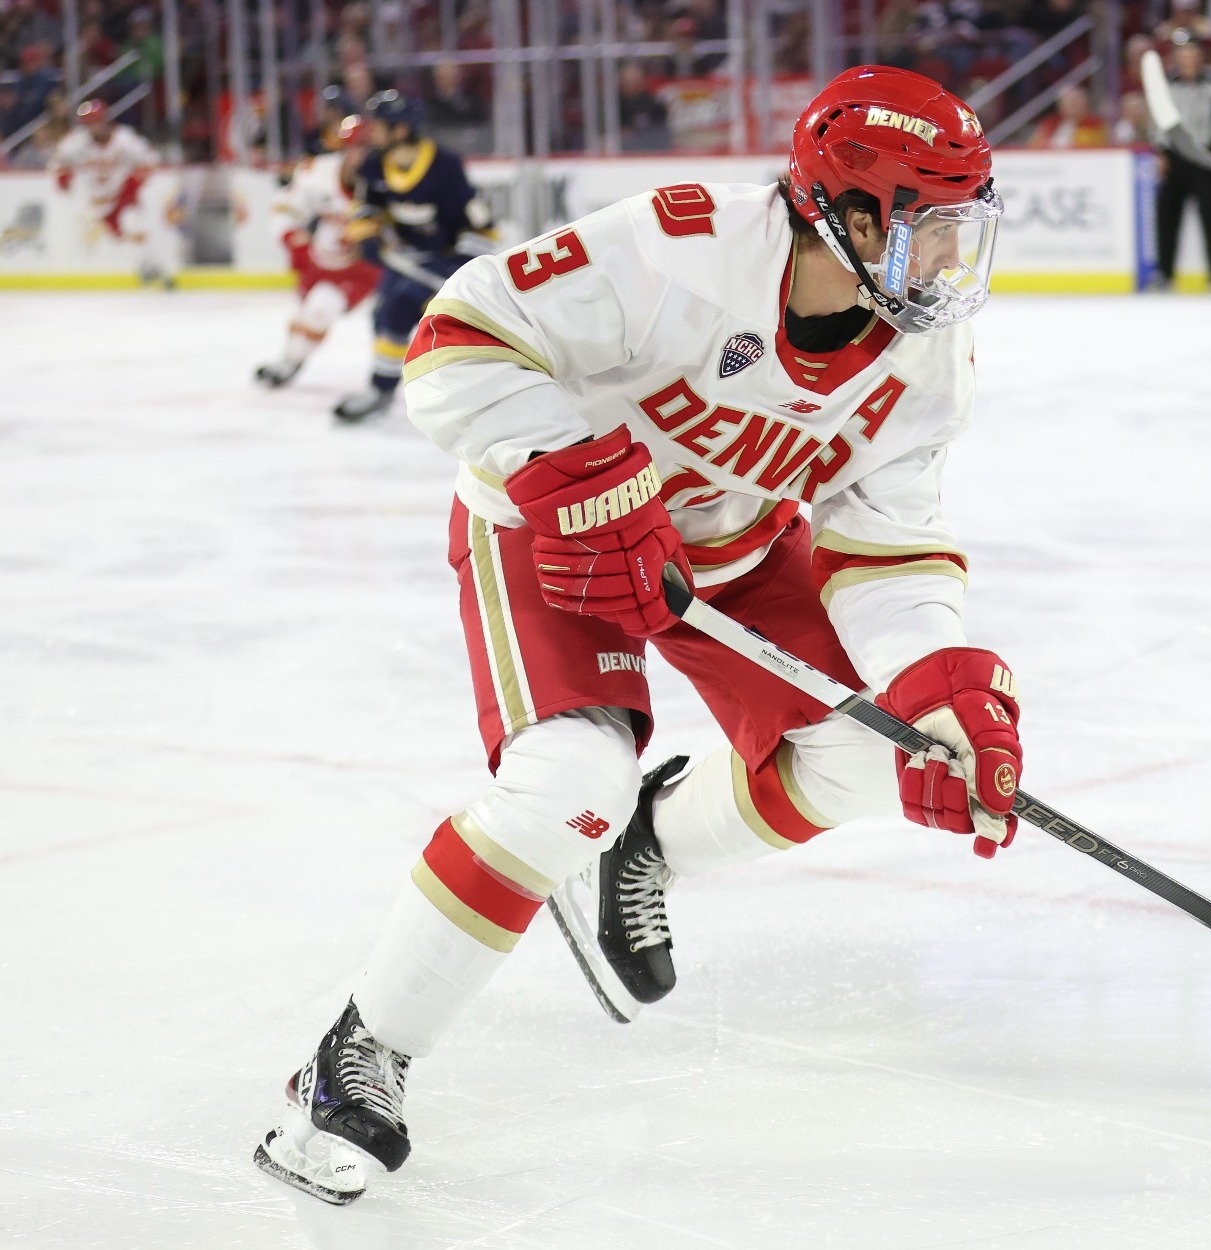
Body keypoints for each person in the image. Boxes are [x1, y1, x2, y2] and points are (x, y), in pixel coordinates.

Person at [250, 65, 1019, 1206]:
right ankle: (359, 1052)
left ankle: (654, 836)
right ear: (850, 215)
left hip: (729, 544)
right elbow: (457, 339)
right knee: (569, 784)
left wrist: (940, 692)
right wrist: (574, 471)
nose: (953, 261)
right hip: (552, 531)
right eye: (932, 227)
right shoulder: (679, 247)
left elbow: (886, 547)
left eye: (965, 227)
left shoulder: (924, 357)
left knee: (878, 754)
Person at [334, 89, 495, 423]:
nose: (372, 132)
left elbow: (478, 224)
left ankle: (466, 392)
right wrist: (366, 234)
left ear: (400, 129)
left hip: (446, 261)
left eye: (379, 126)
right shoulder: (374, 165)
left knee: (416, 314)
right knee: (383, 317)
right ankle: (381, 389)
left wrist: (456, 267)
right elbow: (365, 208)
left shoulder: (445, 166)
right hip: (405, 260)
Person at [255, 115, 382, 388]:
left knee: (321, 308)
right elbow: (285, 208)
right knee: (304, 312)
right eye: (353, 148)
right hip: (320, 260)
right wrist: (292, 236)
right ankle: (288, 358)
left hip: (361, 267)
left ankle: (293, 361)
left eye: (365, 149)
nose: (358, 156)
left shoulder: (385, 180)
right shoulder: (318, 172)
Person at [1153, 28, 1211, 291]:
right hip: (1176, 156)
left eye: (1192, 52)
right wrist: (1160, 151)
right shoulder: (1168, 84)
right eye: (1182, 53)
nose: (1188, 58)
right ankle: (1165, 273)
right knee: (1167, 216)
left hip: (1207, 156)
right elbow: (1159, 119)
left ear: (1200, 55)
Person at [49, 97, 174, 286]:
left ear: (105, 119)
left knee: (134, 227)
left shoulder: (125, 139)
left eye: (97, 121)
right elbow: (58, 163)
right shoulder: (76, 142)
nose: (94, 126)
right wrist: (63, 177)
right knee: (117, 243)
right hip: (95, 203)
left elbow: (150, 160)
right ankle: (146, 267)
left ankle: (156, 269)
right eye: (89, 123)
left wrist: (134, 183)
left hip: (122, 197)